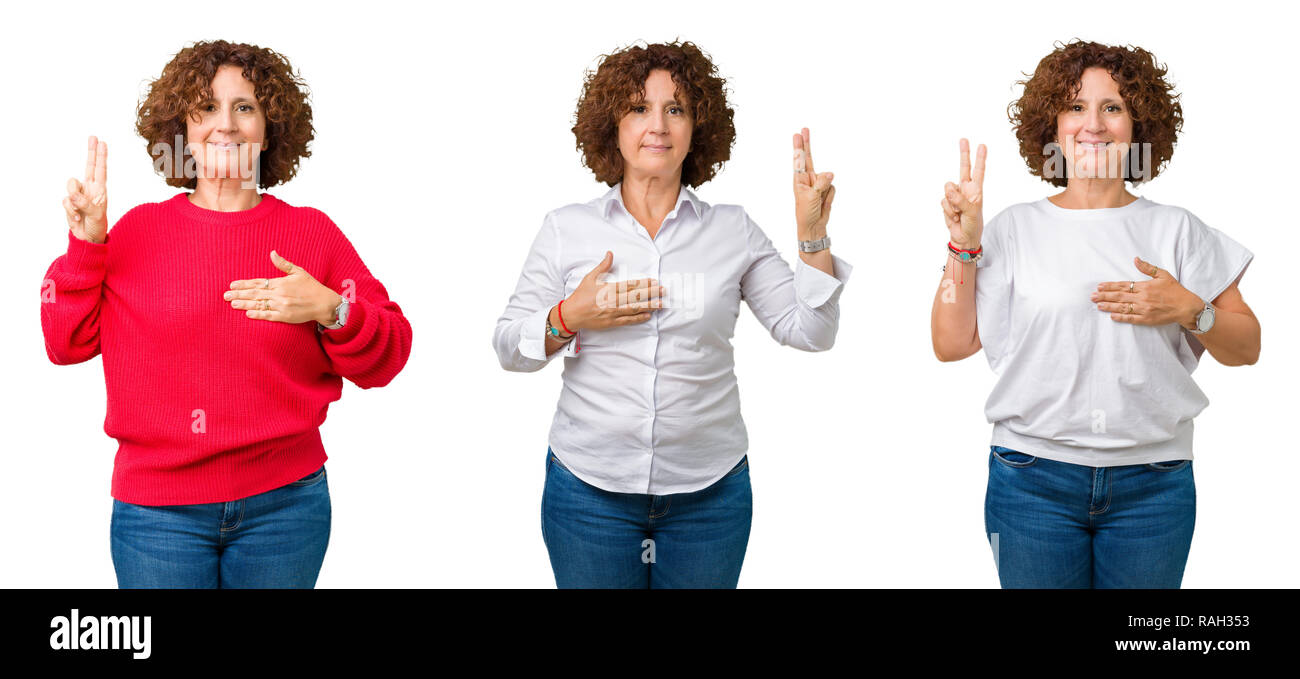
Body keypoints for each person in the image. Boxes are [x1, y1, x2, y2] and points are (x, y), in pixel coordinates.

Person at [40, 40, 413, 588]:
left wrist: (333, 310)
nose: (227, 125)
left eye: (245, 107)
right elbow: (64, 343)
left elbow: (390, 353)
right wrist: (86, 243)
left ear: (269, 127)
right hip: (157, 515)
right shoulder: (137, 233)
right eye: (207, 107)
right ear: (182, 130)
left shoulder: (312, 234)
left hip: (286, 509)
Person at [493, 41, 850, 588]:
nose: (656, 125)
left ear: (696, 128)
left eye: (675, 109)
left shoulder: (733, 230)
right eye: (638, 108)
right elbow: (507, 347)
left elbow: (811, 331)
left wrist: (811, 235)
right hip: (588, 496)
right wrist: (569, 315)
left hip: (709, 501)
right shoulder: (568, 229)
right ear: (611, 124)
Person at [931, 40, 1259, 588]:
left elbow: (1246, 346)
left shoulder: (1177, 230)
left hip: (1153, 486)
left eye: (1113, 108)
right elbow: (951, 342)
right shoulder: (1013, 228)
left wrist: (1189, 309)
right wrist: (963, 245)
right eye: (1076, 107)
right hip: (1030, 479)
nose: (1094, 125)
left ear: (1139, 126)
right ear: (1052, 125)